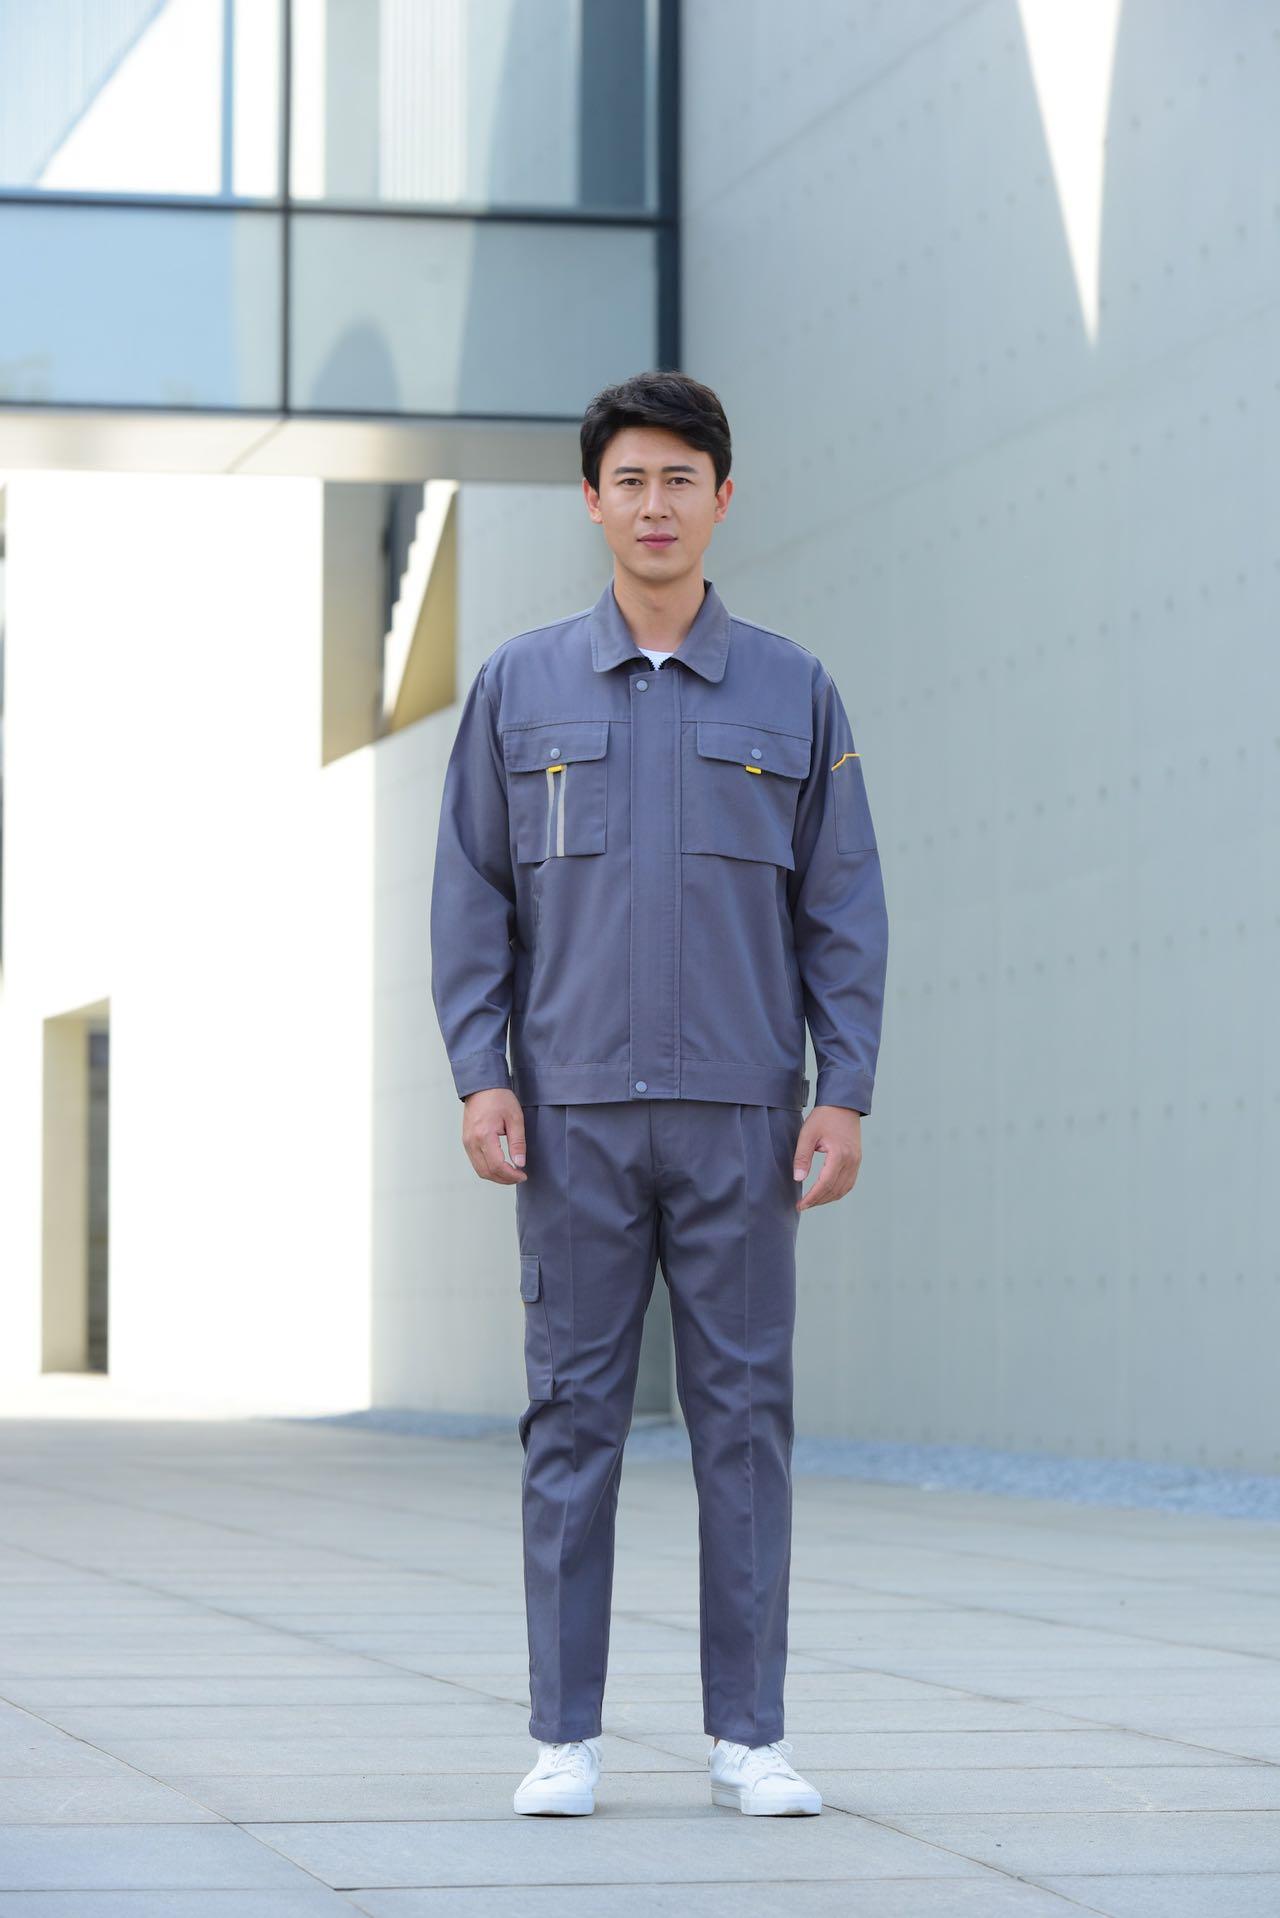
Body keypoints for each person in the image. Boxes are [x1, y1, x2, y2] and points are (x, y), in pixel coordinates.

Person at [429, 369, 888, 1818]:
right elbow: (471, 898)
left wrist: (844, 1088)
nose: (654, 504)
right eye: (629, 479)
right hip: (571, 1117)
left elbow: (843, 906)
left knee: (744, 1424)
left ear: (722, 499)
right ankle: (563, 1735)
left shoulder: (793, 690)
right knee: (571, 1420)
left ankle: (750, 1735)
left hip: (745, 1117)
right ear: (592, 500)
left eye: (680, 479)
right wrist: (483, 1073)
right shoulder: (519, 687)